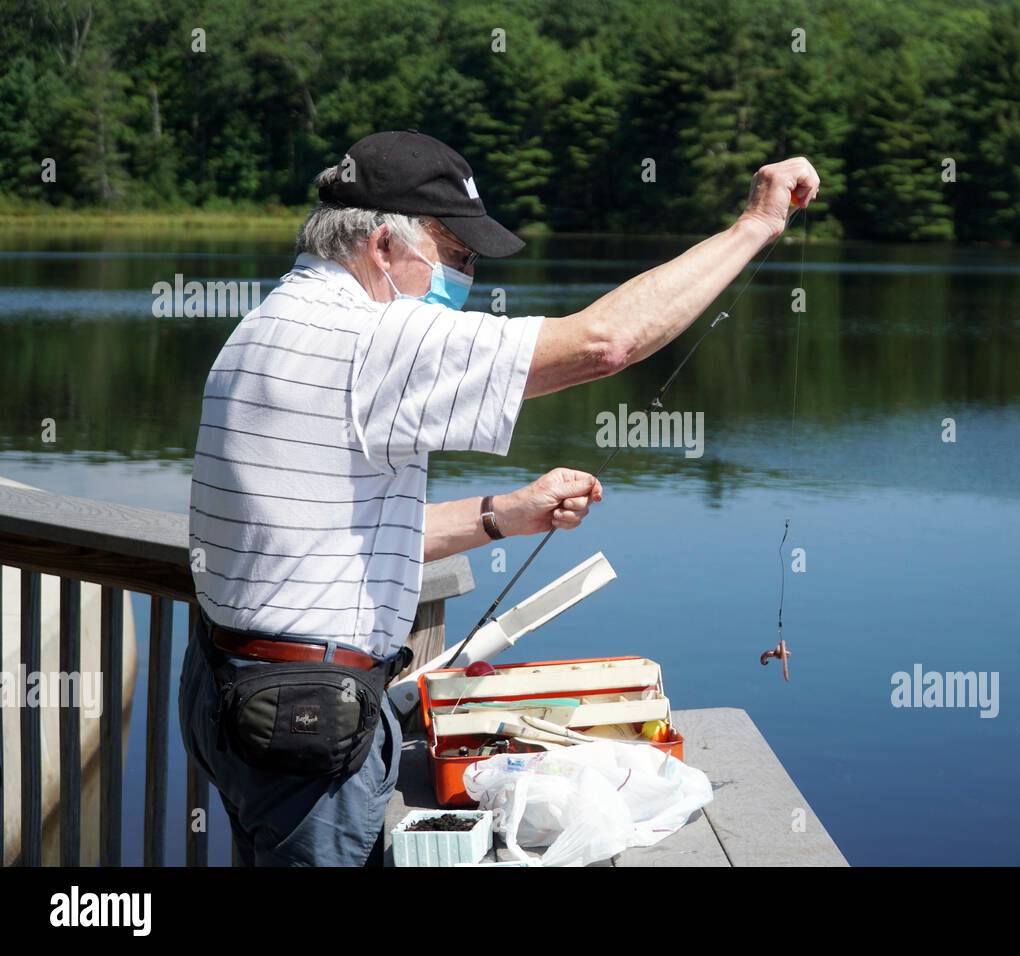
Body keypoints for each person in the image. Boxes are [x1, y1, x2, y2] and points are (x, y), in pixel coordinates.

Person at [178, 129, 819, 866]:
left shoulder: (270, 324)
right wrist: (756, 226)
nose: (467, 279)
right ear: (384, 245)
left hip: (236, 693)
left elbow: (327, 537)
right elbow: (604, 343)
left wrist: (501, 516)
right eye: (457, 257)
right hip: (304, 718)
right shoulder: (370, 336)